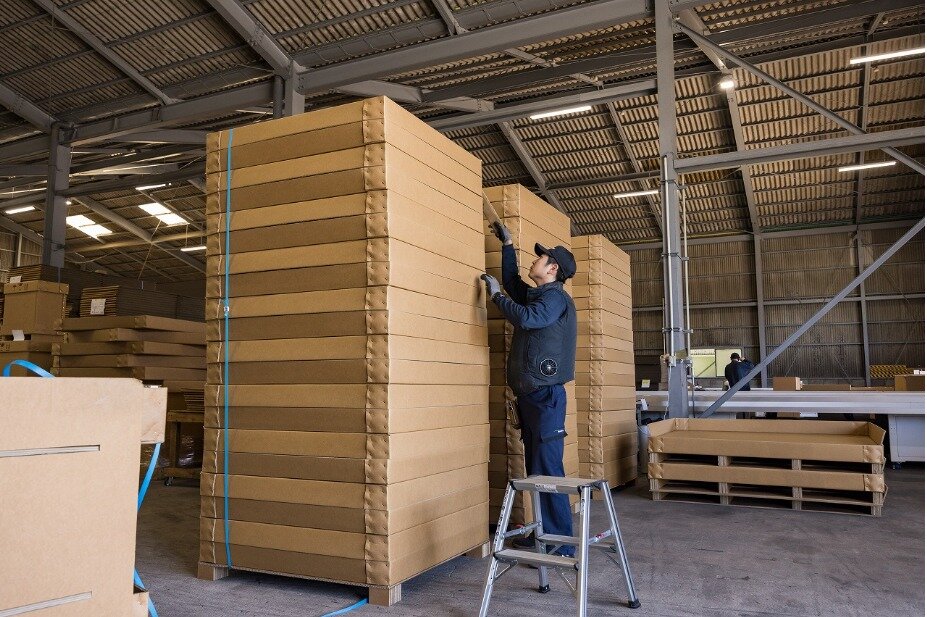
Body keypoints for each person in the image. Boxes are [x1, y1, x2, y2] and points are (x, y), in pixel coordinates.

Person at [481, 220, 577, 558]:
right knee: (537, 471)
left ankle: (560, 544)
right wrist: (507, 246)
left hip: (546, 398)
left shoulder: (555, 299)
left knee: (548, 470)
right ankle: (545, 535)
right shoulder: (542, 295)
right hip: (533, 398)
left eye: (540, 258)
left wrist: (496, 298)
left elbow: (526, 318)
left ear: (552, 269)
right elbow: (512, 283)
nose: (534, 260)